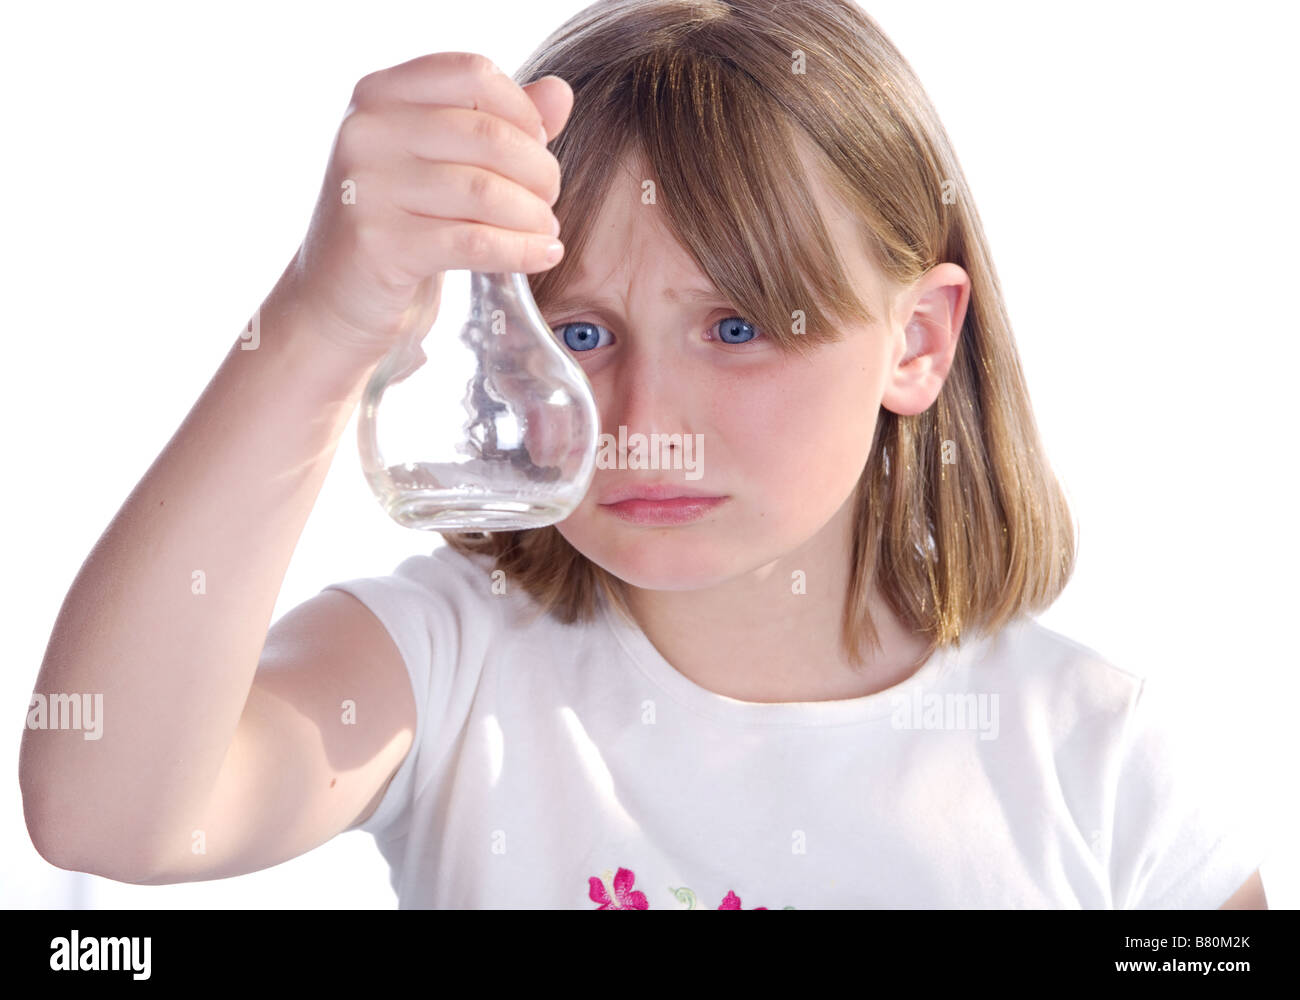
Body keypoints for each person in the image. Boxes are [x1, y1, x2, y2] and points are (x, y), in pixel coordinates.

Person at [20, 0, 1268, 909]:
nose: (643, 411)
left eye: (736, 325)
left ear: (918, 341)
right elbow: (111, 811)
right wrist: (316, 325)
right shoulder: (446, 667)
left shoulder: (1102, 758)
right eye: (579, 328)